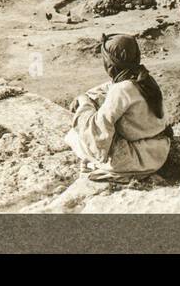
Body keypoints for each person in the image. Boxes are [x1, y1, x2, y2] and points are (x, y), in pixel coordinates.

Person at [65, 34, 171, 182]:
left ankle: (97, 164)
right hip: (159, 151)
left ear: (110, 64)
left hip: (138, 159)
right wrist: (87, 95)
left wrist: (84, 103)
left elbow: (97, 129)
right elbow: (109, 88)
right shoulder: (143, 78)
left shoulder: (121, 89)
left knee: (74, 136)